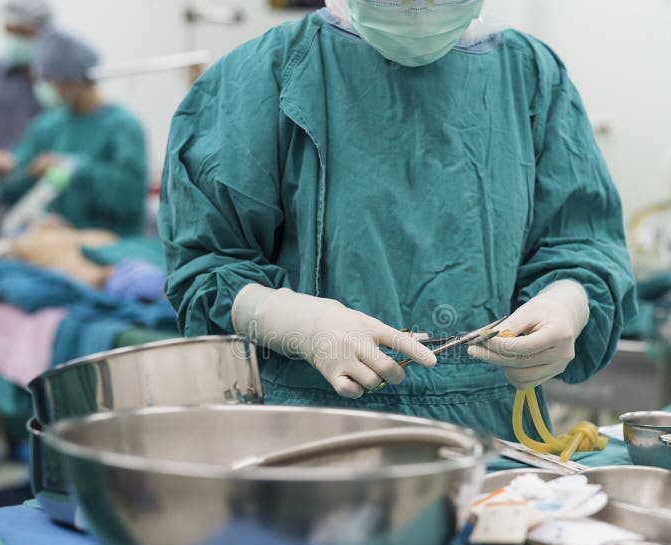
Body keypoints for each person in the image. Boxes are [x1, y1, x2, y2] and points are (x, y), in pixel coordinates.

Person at [160, 0, 638, 440]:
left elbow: (582, 241)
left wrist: (566, 303)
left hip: (491, 443)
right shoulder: (263, 75)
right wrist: (295, 321)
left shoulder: (531, 75)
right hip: (307, 442)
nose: (418, 9)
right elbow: (206, 265)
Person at [0, 29, 148, 237]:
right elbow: (18, 178)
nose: (46, 88)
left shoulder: (123, 127)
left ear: (76, 80)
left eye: (52, 81)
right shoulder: (48, 125)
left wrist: (74, 168)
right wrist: (9, 171)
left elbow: (130, 197)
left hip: (112, 247)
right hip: (55, 244)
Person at [0, 0, 52, 250]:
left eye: (23, 33)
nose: (15, 39)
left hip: (41, 193)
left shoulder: (56, 81)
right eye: (10, 31)